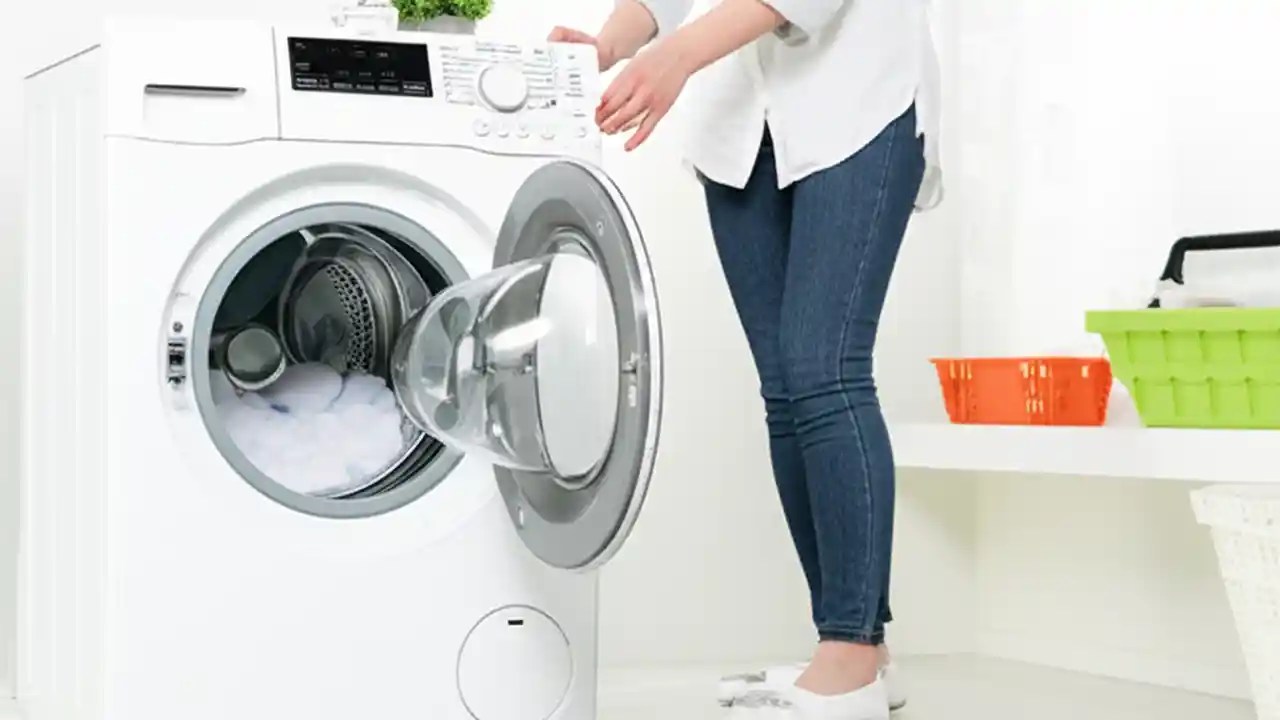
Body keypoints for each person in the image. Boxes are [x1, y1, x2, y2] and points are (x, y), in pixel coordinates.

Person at [551, 0, 941, 717]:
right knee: (788, 387)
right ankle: (858, 650)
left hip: (856, 100)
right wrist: (611, 42)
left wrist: (678, 53)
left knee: (826, 369)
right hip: (739, 119)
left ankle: (850, 648)